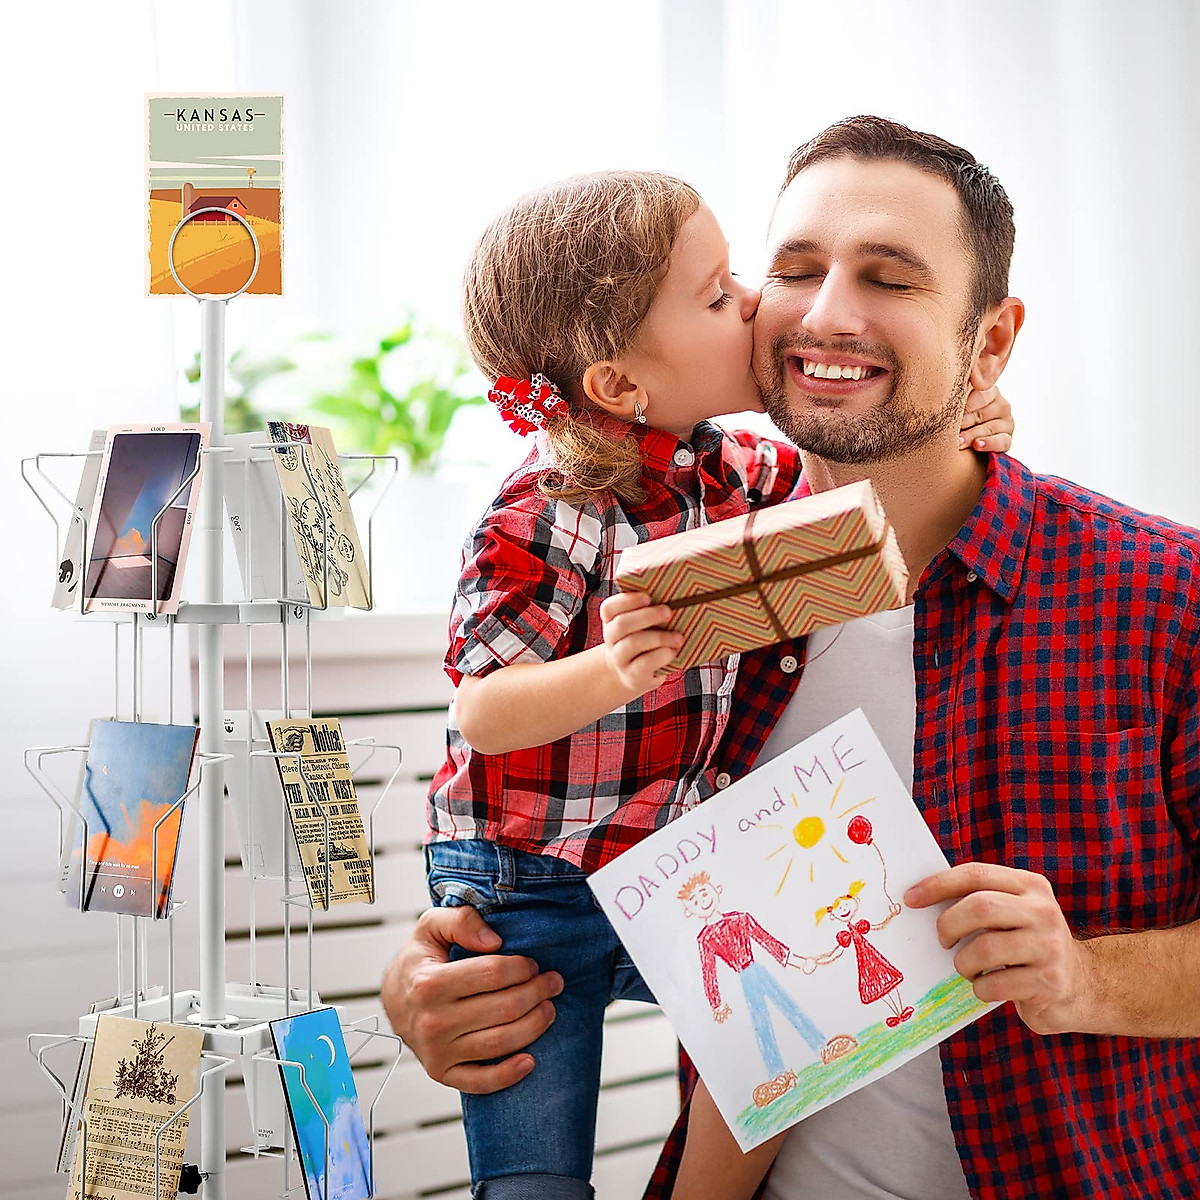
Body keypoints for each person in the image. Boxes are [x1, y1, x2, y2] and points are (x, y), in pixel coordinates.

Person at [381, 115, 1200, 1199]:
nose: (825, 313)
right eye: (794, 269)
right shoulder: (688, 579)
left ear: (988, 343)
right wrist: (439, 982)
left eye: (892, 278)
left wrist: (1089, 976)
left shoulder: (1167, 598)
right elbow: (539, 811)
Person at [421, 169, 1011, 1200]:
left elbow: (858, 481)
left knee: (787, 1031)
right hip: (532, 884)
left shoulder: (729, 468)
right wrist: (611, 669)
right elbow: (481, 709)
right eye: (717, 294)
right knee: (530, 1175)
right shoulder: (540, 511)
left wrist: (972, 407)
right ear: (618, 384)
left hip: (658, 865)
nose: (749, 304)